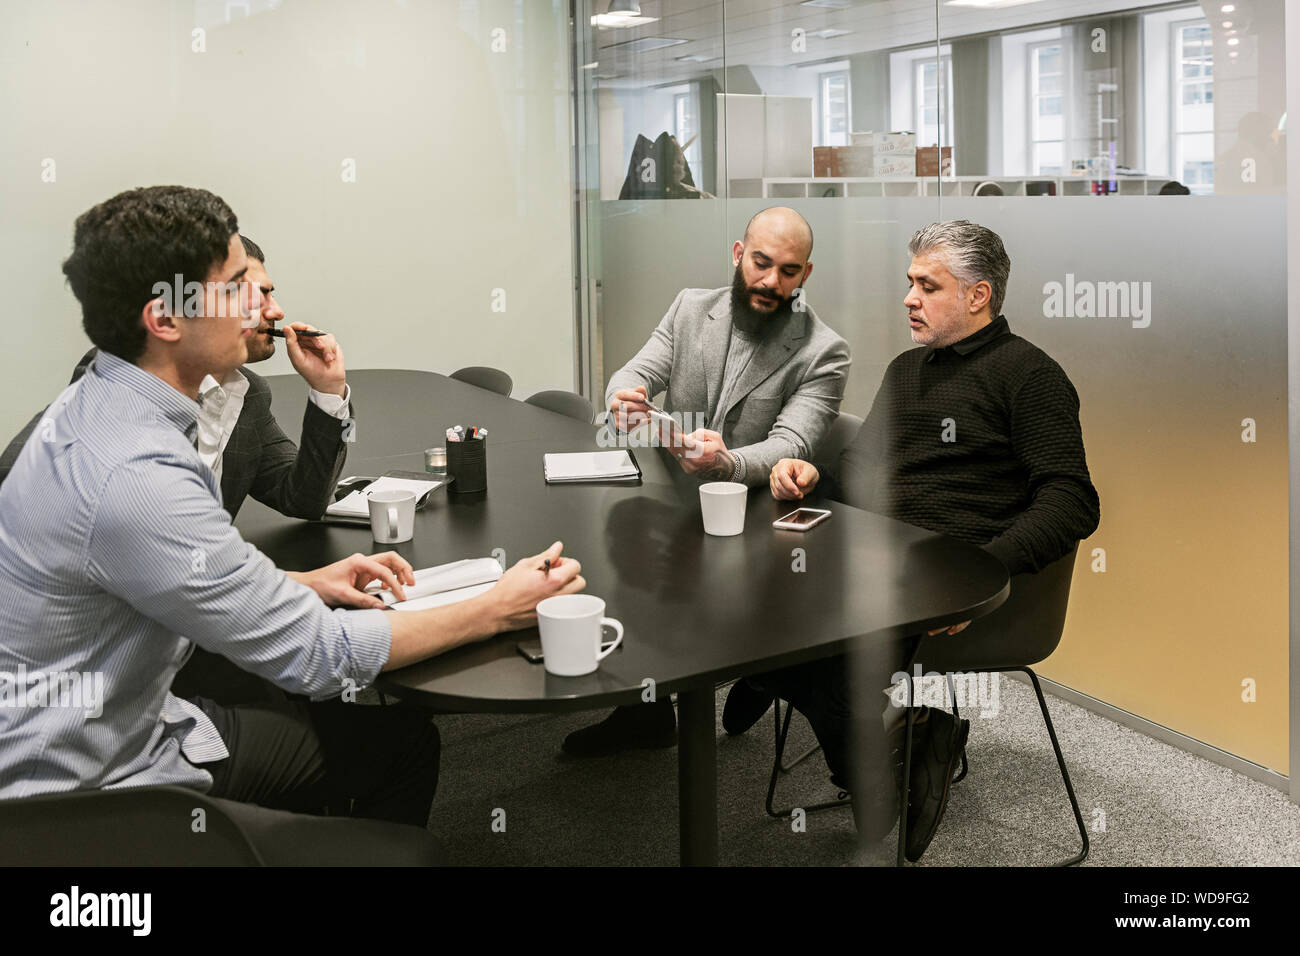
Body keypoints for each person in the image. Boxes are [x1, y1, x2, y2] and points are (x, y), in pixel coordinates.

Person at [0, 186, 585, 864]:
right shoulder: (139, 474)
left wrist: (299, 582)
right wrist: (497, 607)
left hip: (120, 722)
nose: (262, 308)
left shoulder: (92, 407)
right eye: (236, 286)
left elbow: (152, 565)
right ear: (164, 318)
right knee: (399, 770)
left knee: (382, 741)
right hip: (85, 797)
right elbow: (322, 656)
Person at [730, 220, 1100, 858]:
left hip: (948, 576)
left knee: (818, 657)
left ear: (977, 296)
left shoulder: (1030, 376)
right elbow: (859, 473)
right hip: (870, 558)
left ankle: (889, 759)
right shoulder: (908, 370)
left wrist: (983, 570)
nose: (909, 298)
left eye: (928, 286)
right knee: (739, 587)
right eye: (910, 283)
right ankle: (804, 684)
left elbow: (1071, 500)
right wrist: (813, 475)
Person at [1, 234, 360, 704]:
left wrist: (329, 391)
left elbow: (303, 497)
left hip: (192, 622)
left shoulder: (246, 395)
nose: (274, 312)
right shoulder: (110, 401)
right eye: (252, 297)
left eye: (269, 294)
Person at [564, 205, 851, 757]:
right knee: (606, 548)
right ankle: (644, 712)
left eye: (788, 271)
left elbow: (791, 444)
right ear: (738, 254)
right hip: (675, 497)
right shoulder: (691, 308)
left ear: (805, 276)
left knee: (666, 570)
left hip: (752, 515)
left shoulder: (823, 351)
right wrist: (623, 397)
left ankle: (761, 670)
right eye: (761, 263)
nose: (771, 281)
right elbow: (637, 372)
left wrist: (729, 465)